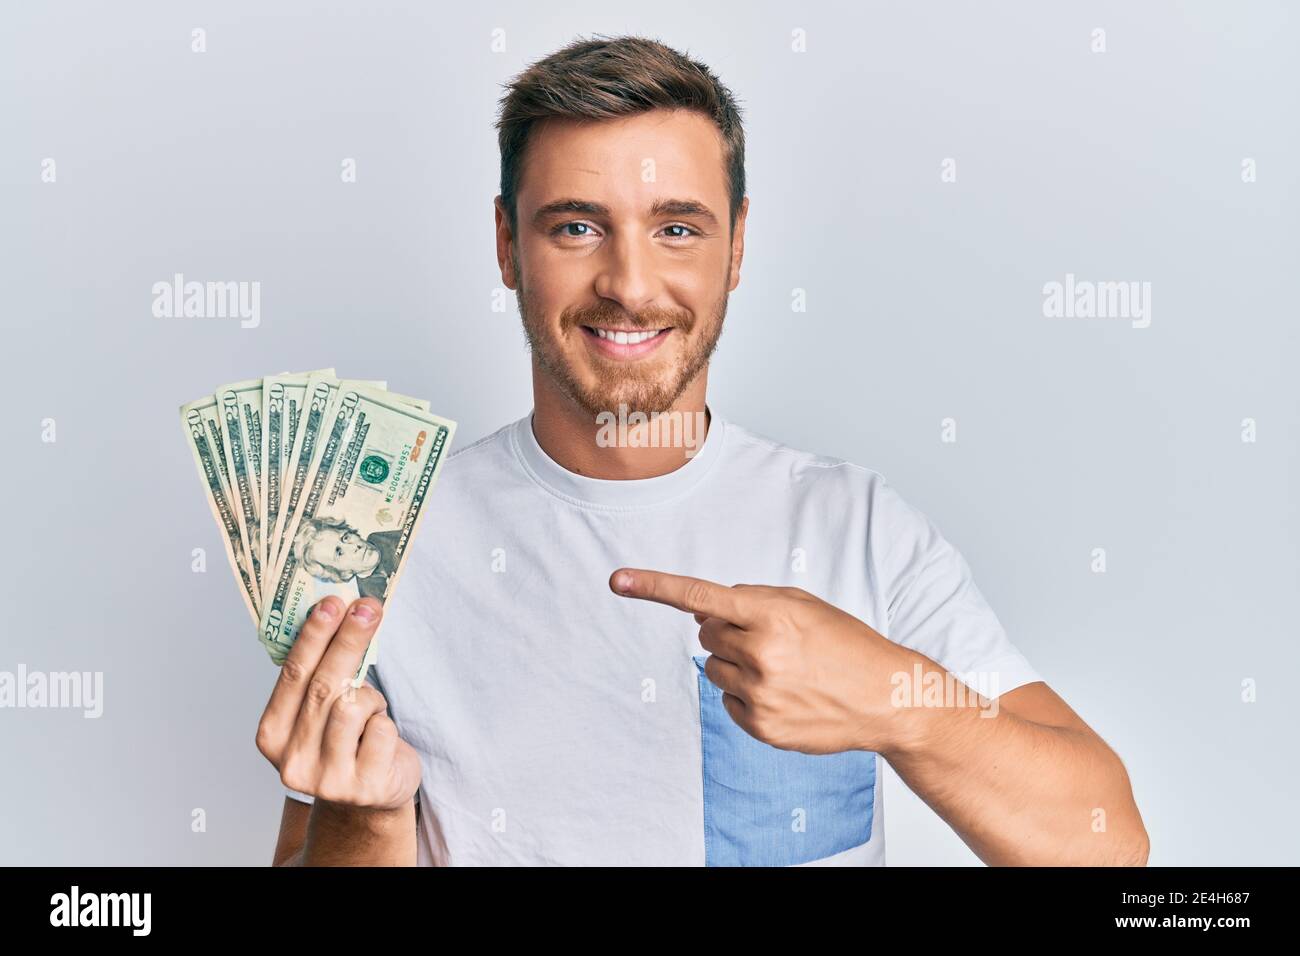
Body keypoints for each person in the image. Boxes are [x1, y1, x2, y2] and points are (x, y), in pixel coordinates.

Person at [254, 35, 1149, 867]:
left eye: (677, 228)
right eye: (575, 226)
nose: (630, 285)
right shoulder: (380, 547)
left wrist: (893, 698)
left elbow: (1106, 843)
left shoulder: (855, 526)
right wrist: (363, 819)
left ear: (738, 246)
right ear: (505, 244)